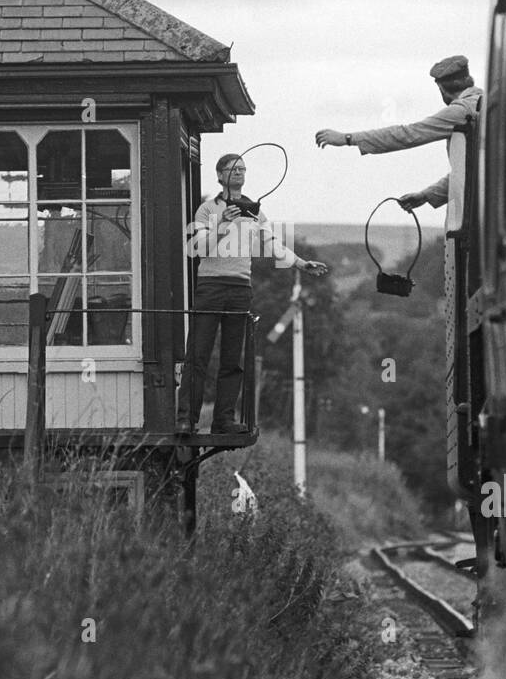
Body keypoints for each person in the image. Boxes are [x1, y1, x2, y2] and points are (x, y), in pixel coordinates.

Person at [177, 154, 328, 436]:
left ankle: (223, 419)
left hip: (239, 288)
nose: (239, 173)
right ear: (220, 175)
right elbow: (197, 248)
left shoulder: (254, 211)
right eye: (233, 169)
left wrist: (300, 263)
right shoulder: (206, 210)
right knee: (197, 355)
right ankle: (187, 418)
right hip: (210, 286)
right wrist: (222, 226)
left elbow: (272, 243)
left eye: (243, 169)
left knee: (233, 358)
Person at [315, 55, 483, 235]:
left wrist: (347, 139)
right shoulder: (481, 104)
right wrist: (427, 195)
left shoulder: (462, 111)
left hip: (475, 218)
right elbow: (470, 172)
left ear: (442, 88)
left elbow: (407, 135)